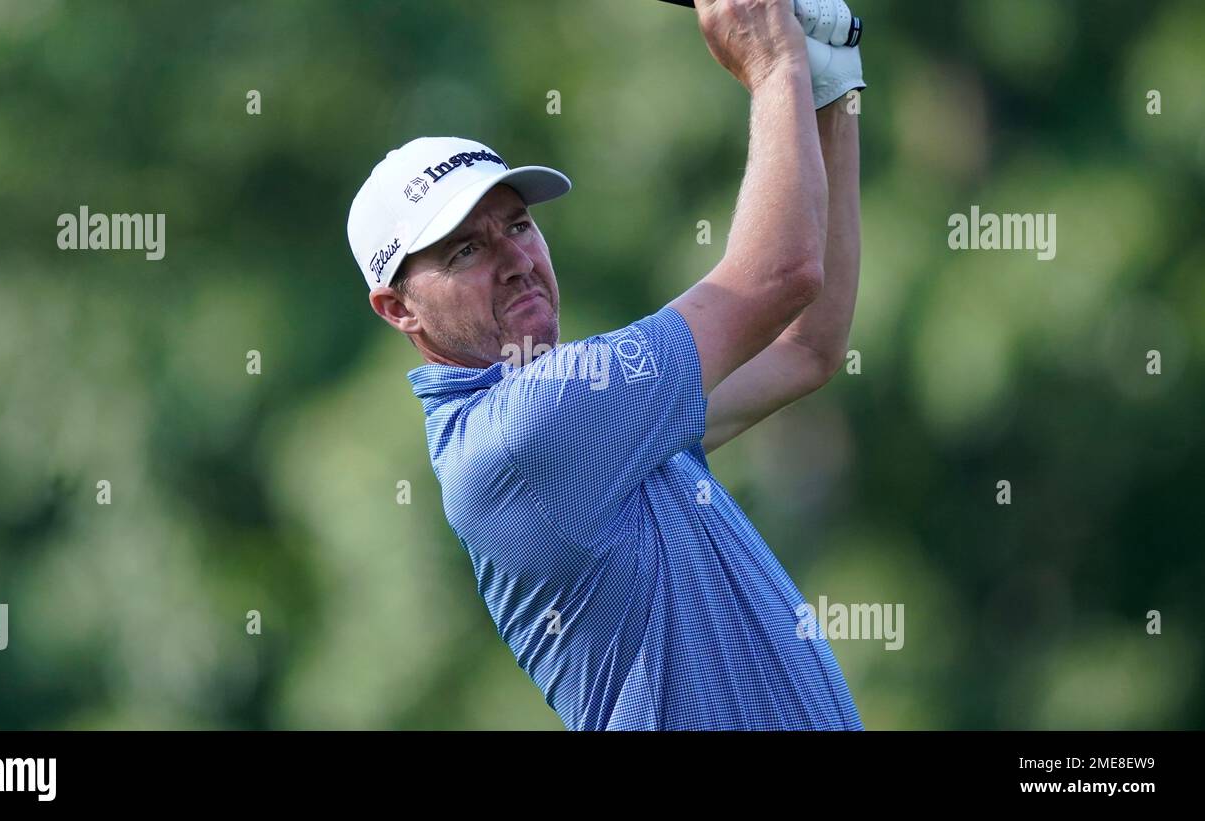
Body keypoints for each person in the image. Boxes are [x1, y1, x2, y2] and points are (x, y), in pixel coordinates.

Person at [346, 0, 866, 730]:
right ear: (399, 309)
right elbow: (779, 275)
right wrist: (774, 62)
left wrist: (831, 93)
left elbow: (805, 347)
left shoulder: (601, 424)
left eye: (520, 225)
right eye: (465, 250)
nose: (516, 260)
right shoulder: (530, 432)